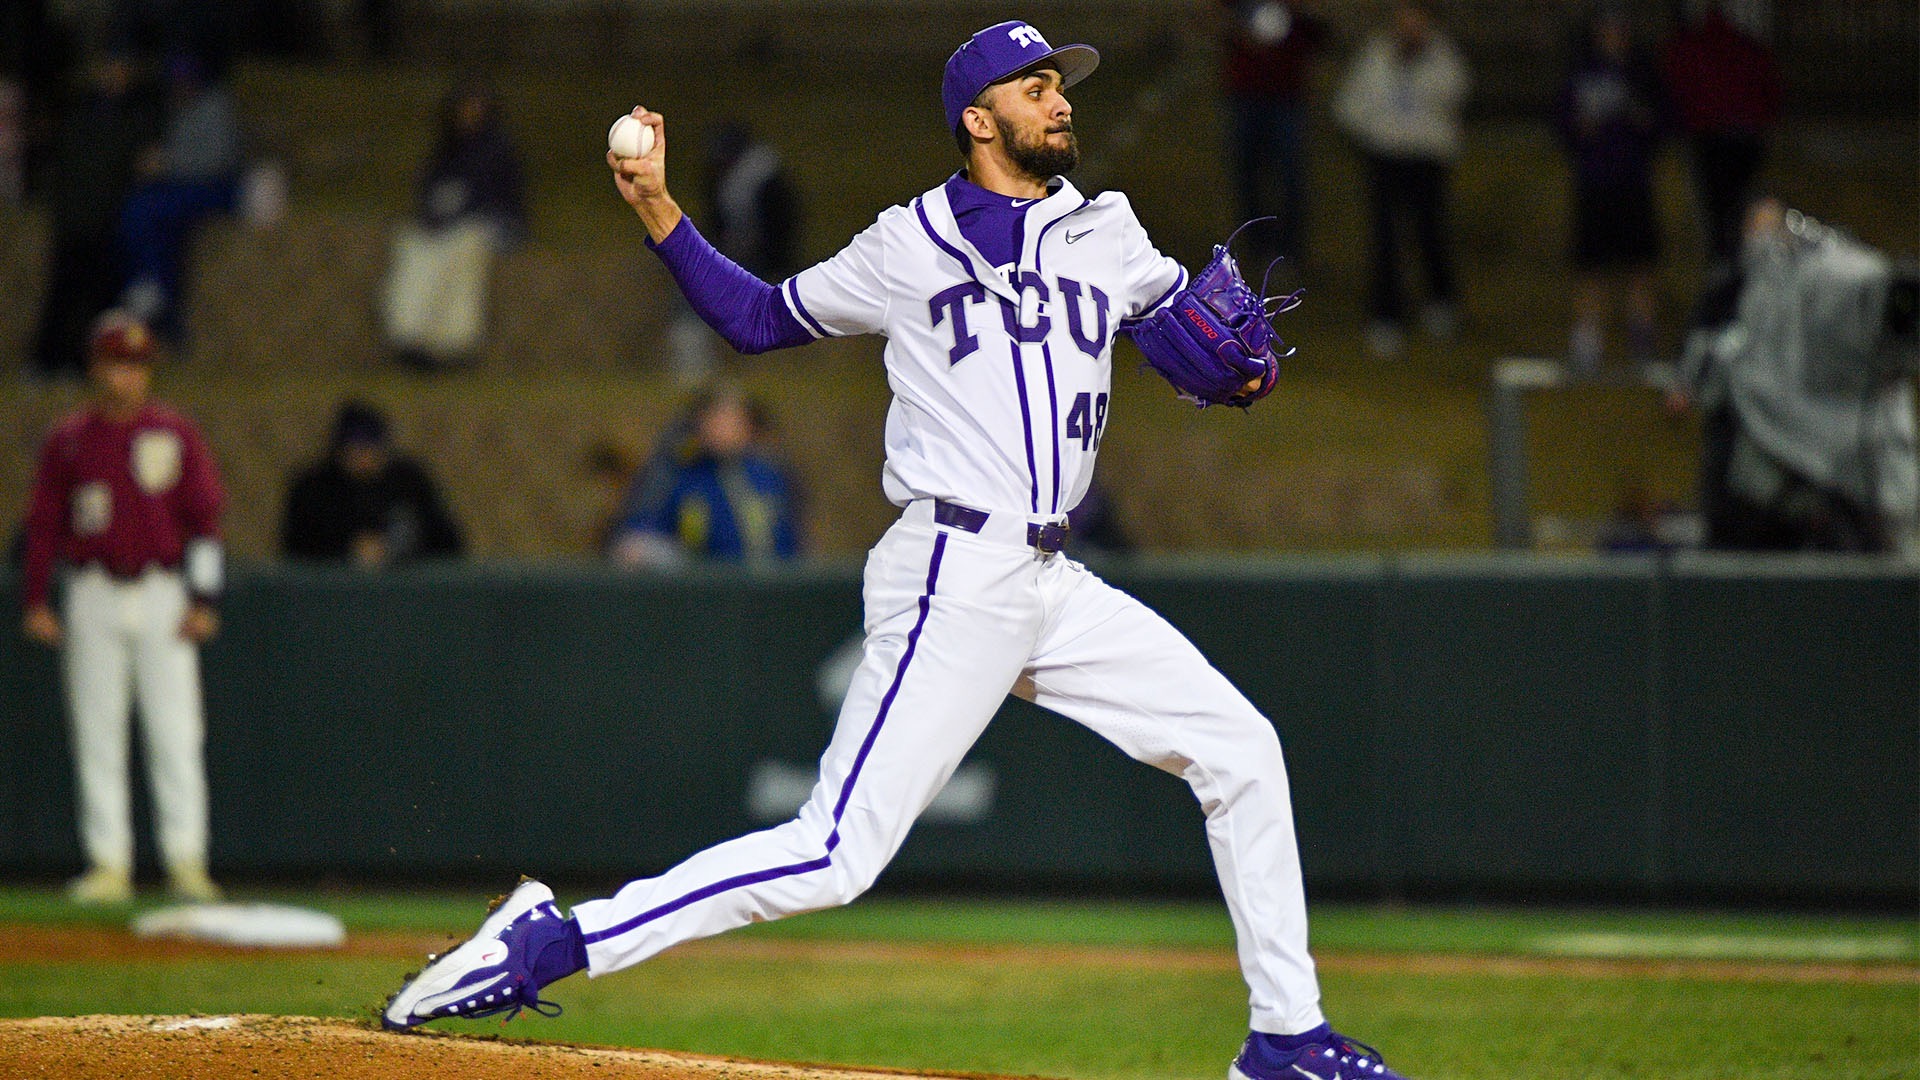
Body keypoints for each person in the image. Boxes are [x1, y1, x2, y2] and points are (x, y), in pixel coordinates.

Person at [383, 19, 1419, 1080]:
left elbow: (1182, 332)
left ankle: (1285, 1037)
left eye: (1061, 84)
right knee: (836, 853)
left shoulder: (1106, 230)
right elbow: (756, 317)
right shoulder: (906, 243)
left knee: (1241, 750)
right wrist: (655, 203)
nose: (1060, 100)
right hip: (952, 568)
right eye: (1033, 87)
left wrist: (1232, 367)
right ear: (979, 119)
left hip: (1052, 580)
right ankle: (552, 941)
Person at [17, 310, 226, 905]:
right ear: (96, 367)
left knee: (176, 732)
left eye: (136, 365)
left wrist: (203, 596)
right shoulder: (70, 437)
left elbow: (204, 520)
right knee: (98, 732)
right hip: (92, 591)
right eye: (116, 362)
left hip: (163, 592)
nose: (125, 376)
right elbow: (44, 525)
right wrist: (37, 598)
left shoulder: (175, 433)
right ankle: (109, 864)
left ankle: (187, 861)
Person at [1667, 198, 1918, 553]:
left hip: (1842, 471)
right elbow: (1704, 347)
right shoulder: (1736, 282)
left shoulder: (1829, 276)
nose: (1765, 239)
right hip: (1756, 452)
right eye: (1757, 229)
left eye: (1773, 227)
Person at [1333, 1, 1469, 358]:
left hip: (1426, 159)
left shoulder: (1442, 56)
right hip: (1385, 158)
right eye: (1403, 19)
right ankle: (1385, 316)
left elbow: (1455, 96)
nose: (1409, 26)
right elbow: (1349, 106)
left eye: (1416, 20)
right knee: (1385, 239)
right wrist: (1376, 132)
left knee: (1430, 232)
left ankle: (1440, 302)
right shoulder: (1376, 56)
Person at [27, 46, 164, 382]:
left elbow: (139, 166)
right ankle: (45, 361)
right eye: (111, 67)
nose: (116, 75)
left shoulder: (135, 114)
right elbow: (66, 162)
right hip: (76, 218)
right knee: (63, 292)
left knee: (100, 299)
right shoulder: (81, 111)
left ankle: (84, 363)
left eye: (122, 68)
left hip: (108, 220)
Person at [378, 76, 529, 371]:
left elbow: (506, 202)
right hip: (445, 227)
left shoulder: (499, 150)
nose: (468, 114)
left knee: (463, 248)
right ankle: (409, 336)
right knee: (414, 246)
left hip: (490, 226)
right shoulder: (447, 149)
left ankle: (453, 343)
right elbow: (429, 193)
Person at [1554, 6, 1668, 377]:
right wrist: (1578, 130)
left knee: (1640, 265)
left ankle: (1642, 343)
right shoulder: (1580, 73)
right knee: (1590, 267)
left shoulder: (1643, 73)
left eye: (1619, 29)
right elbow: (1560, 124)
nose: (1612, 36)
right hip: (1594, 183)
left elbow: (1667, 123)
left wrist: (1645, 121)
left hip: (1634, 183)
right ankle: (1586, 344)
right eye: (1606, 29)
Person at [116, 51, 245, 345]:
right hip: (182, 187)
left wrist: (167, 163)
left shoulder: (216, 106)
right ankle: (156, 295)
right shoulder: (175, 107)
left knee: (144, 210)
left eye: (184, 80)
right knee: (152, 223)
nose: (180, 86)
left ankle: (150, 290)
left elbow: (218, 161)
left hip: (216, 187)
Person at [606, 385, 802, 568]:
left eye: (731, 421)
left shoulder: (769, 475)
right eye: (714, 420)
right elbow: (643, 525)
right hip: (703, 589)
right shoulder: (679, 475)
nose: (721, 429)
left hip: (766, 587)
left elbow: (791, 536)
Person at [1661, 2, 1781, 267]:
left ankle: (1725, 264)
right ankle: (1738, 260)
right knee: (1739, 205)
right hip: (1740, 137)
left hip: (1712, 139)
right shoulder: (1743, 46)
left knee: (1718, 211)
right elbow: (1770, 89)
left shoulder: (1695, 46)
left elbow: (1678, 88)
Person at [280, 400, 465, 567]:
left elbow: (449, 544)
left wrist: (393, 551)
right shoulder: (313, 489)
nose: (365, 457)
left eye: (371, 448)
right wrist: (348, 550)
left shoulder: (409, 482)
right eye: (356, 449)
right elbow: (295, 551)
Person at [1216, 0, 1329, 271]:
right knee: (1247, 174)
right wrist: (1238, 31)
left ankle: (1290, 249)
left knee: (1290, 178)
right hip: (1247, 94)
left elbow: (1320, 35)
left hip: (1286, 97)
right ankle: (1256, 244)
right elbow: (1215, 22)